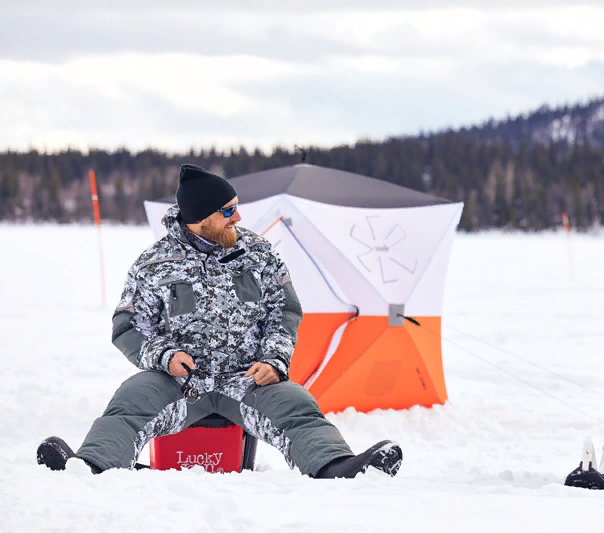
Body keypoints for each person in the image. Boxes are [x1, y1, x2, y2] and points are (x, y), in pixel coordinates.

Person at [37, 164, 402, 479]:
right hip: (178, 382)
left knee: (298, 405)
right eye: (228, 212)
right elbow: (128, 326)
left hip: (247, 379)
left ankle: (339, 467)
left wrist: (274, 360)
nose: (238, 218)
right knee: (129, 400)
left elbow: (284, 312)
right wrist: (164, 356)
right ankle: (88, 468)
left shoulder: (259, 255)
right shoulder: (154, 264)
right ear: (200, 219)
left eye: (237, 208)